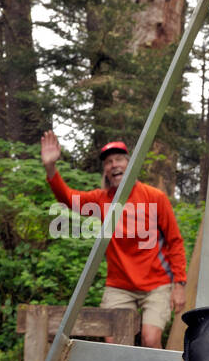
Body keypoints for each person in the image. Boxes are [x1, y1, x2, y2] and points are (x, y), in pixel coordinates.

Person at [40, 131, 187, 349]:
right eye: (108, 162)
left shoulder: (154, 197)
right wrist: (50, 167)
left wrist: (180, 284)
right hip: (120, 286)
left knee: (150, 338)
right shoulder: (101, 200)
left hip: (156, 284)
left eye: (118, 159)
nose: (113, 165)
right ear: (106, 171)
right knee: (113, 342)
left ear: (130, 164)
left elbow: (175, 242)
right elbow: (67, 198)